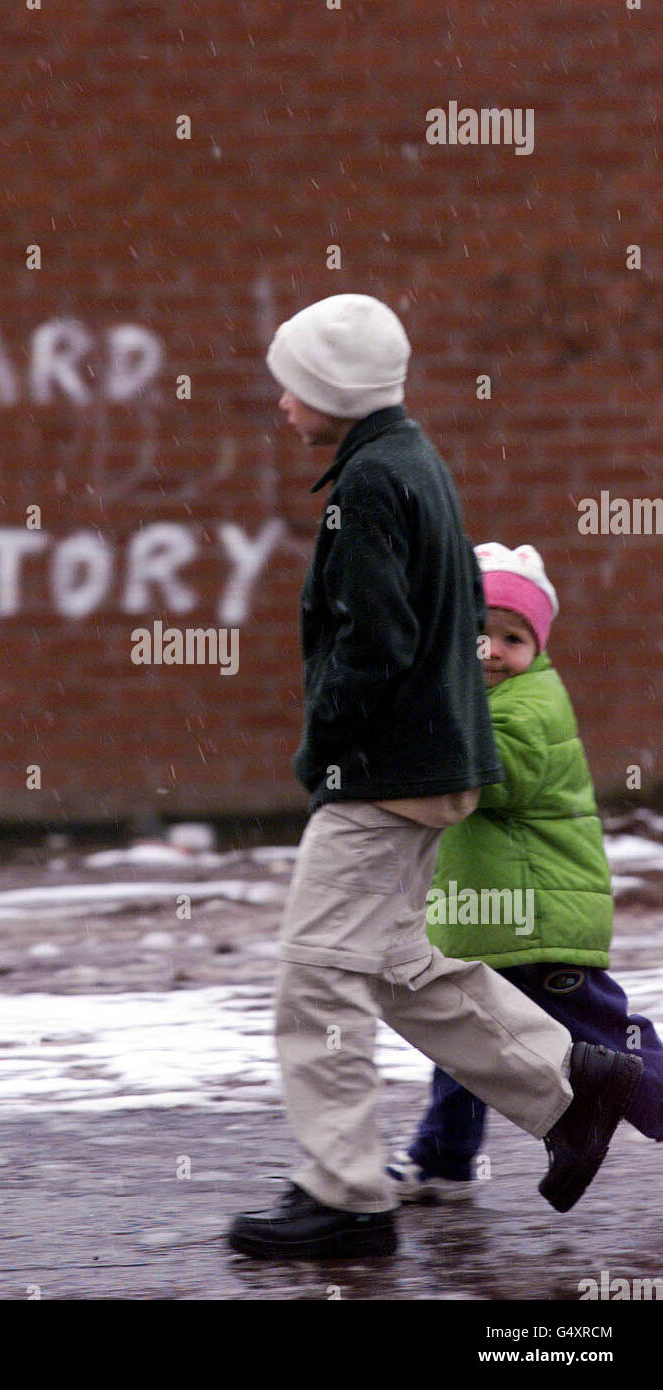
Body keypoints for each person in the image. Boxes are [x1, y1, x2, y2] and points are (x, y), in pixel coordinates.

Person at [226, 294, 643, 1261]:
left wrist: (328, 731)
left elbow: (377, 640)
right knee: (402, 965)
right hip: (432, 765)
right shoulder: (414, 463)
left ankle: (345, 1198)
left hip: (384, 774)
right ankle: (573, 1092)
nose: (283, 404)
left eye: (294, 385)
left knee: (316, 979)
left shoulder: (369, 486)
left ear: (331, 389)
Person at [387, 542, 663, 1202]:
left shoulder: (528, 706)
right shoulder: (469, 700)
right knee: (466, 1041)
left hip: (538, 921)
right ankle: (446, 1159)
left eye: (511, 638)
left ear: (536, 648)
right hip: (488, 923)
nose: (491, 651)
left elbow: (493, 778)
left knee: (608, 1046)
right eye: (476, 633)